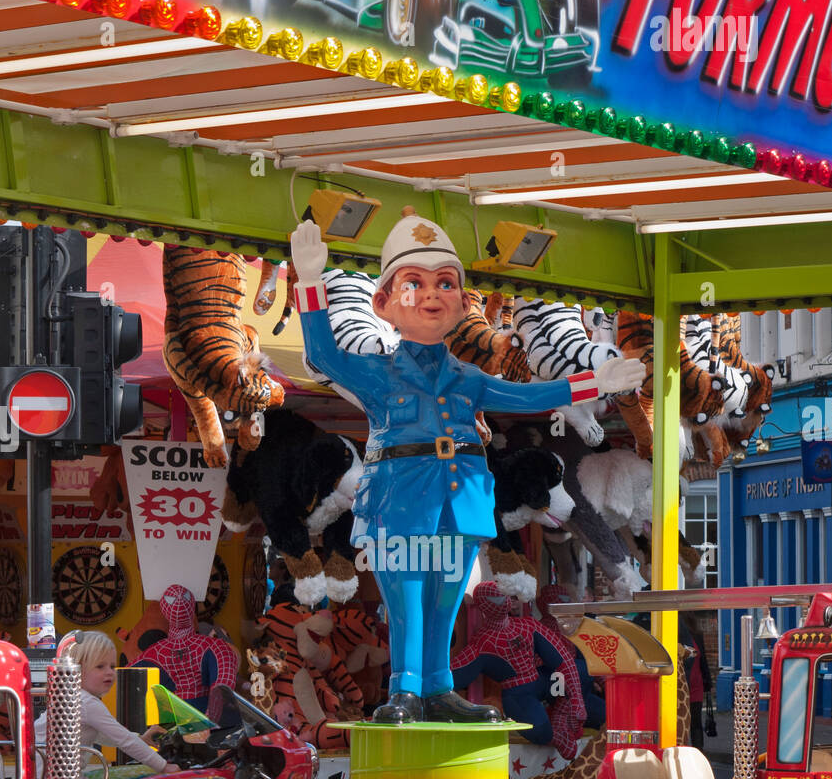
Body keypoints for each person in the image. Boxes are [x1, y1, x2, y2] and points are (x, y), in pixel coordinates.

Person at [290, 210, 646, 722]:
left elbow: (527, 396)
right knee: (406, 596)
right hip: (401, 500)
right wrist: (309, 283)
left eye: (445, 283)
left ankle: (437, 688)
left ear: (461, 302)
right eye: (413, 284)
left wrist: (595, 382)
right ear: (383, 303)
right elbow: (324, 355)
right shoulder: (377, 371)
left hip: (461, 500)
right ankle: (405, 688)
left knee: (446, 599)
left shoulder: (469, 377)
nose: (431, 295)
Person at [34, 630, 178, 774]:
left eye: (112, 666)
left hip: (45, 776)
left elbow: (103, 735)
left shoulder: (71, 697)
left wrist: (141, 738)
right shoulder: (87, 703)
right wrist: (164, 766)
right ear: (77, 670)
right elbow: (125, 740)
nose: (109, 672)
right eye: (100, 666)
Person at [681, 612, 712, 750]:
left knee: (696, 721)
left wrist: (707, 682)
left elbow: (703, 659)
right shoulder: (677, 638)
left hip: (696, 685)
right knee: (684, 721)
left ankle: (699, 752)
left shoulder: (696, 635)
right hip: (682, 684)